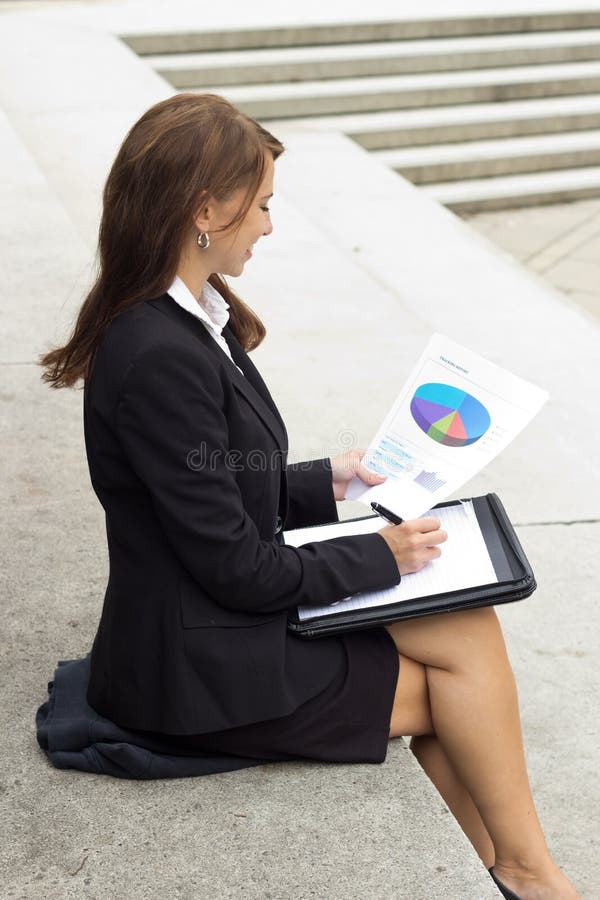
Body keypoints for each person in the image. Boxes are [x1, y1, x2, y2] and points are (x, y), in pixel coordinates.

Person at [40, 93, 579, 900]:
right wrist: (380, 555)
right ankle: (525, 874)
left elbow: (204, 478)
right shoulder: (159, 353)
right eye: (259, 206)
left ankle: (511, 870)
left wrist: (329, 481)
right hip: (197, 667)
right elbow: (236, 568)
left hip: (207, 623)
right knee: (449, 682)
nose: (267, 225)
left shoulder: (183, 319)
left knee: (463, 623)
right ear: (203, 210)